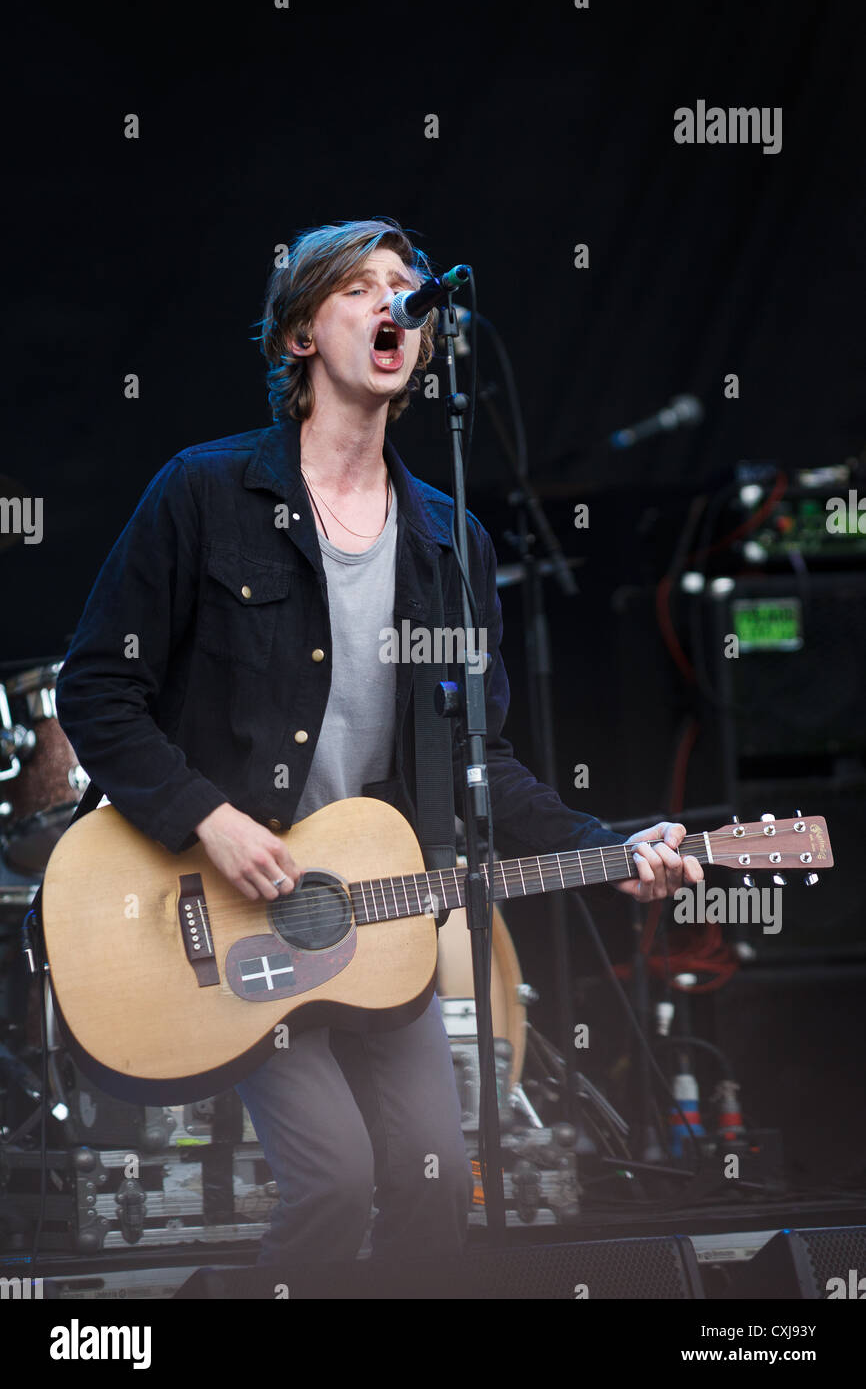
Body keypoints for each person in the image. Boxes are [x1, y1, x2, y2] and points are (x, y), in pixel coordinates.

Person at [55, 217, 704, 1267]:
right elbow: (97, 690)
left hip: (367, 928)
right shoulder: (206, 494)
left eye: (404, 287)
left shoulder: (451, 542)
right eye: (358, 287)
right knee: (335, 1182)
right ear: (300, 335)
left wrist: (610, 846)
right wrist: (208, 819)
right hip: (215, 915)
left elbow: (478, 762)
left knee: (433, 1189)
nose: (392, 302)